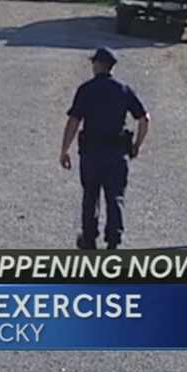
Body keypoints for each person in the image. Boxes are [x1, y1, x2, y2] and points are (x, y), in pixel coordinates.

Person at [60, 47, 150, 250]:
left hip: (91, 153)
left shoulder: (86, 89)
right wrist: (136, 145)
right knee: (115, 197)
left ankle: (89, 239)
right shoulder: (124, 90)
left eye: (93, 63)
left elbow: (74, 121)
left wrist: (64, 149)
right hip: (117, 154)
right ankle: (114, 241)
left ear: (99, 65)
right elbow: (144, 119)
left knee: (90, 195)